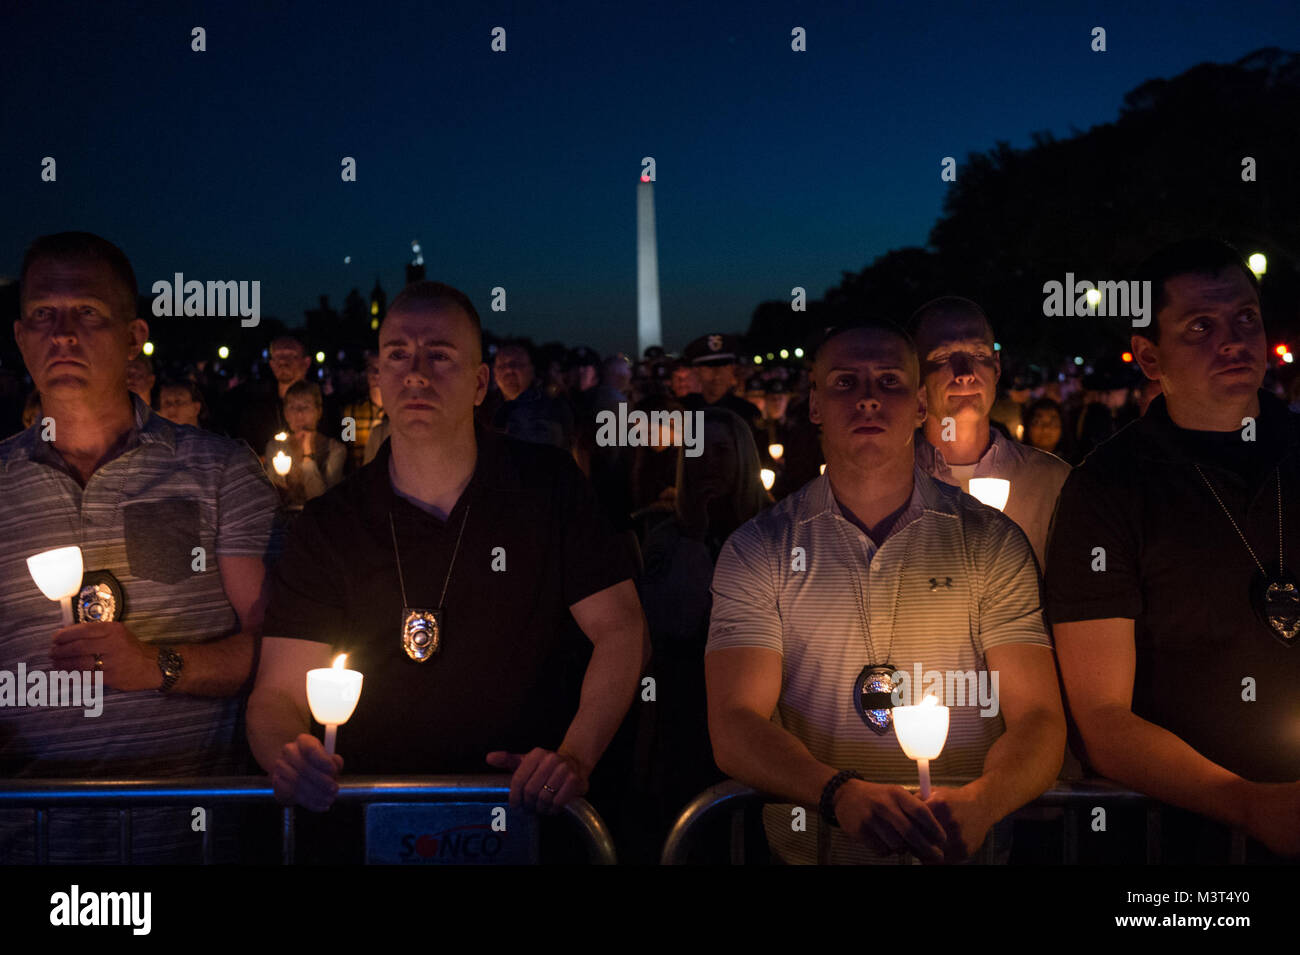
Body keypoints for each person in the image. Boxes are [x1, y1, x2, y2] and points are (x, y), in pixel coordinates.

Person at [245, 281, 649, 860]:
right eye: (398, 355)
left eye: (439, 355)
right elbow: (277, 691)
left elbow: (622, 629)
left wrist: (575, 756)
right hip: (372, 814)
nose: (416, 373)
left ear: (480, 382)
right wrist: (290, 755)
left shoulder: (547, 486)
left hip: (526, 811)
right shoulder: (330, 524)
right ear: (377, 381)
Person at [705, 319, 1065, 865]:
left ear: (922, 405)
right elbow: (735, 722)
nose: (869, 399)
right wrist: (838, 794)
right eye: (846, 383)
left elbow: (1038, 715)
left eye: (890, 382)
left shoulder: (990, 541)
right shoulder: (760, 548)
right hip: (814, 854)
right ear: (816, 405)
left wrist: (982, 802)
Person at [0, 232, 280, 863]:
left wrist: (159, 666)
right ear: (20, 336)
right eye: (43, 315)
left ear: (134, 337)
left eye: (88, 314)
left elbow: (276, 643)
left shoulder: (219, 470)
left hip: (186, 837)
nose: (63, 334)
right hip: (28, 837)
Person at [1047, 238, 1300, 861]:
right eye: (1201, 327)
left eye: (1246, 318)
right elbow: (1103, 720)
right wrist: (1252, 804)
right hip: (1180, 841)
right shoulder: (1106, 488)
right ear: (1149, 357)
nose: (1234, 340)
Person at [910, 297, 1070, 571]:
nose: (965, 373)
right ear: (913, 372)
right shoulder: (885, 483)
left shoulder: (1052, 483)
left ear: (996, 367)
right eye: (944, 357)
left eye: (978, 355)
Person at [264, 380, 347, 509]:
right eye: (292, 407)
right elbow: (273, 495)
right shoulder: (276, 447)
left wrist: (308, 455)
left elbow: (322, 500)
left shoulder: (335, 449)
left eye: (306, 407)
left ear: (319, 412)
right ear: (285, 414)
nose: (299, 414)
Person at [235, 336, 312, 460]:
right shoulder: (256, 410)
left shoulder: (325, 406)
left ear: (306, 362)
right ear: (271, 364)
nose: (283, 362)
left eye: (291, 355)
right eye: (278, 356)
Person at [491, 338, 575, 451]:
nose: (509, 370)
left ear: (532, 370)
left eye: (516, 364)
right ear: (494, 373)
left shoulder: (552, 408)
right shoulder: (483, 410)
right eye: (502, 366)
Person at [682, 333, 762, 428]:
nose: (717, 374)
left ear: (732, 369)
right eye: (709, 367)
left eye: (723, 366)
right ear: (697, 371)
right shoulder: (682, 410)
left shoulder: (748, 412)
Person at [340, 352, 384, 473]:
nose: (376, 374)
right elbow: (347, 452)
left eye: (382, 368)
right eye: (372, 368)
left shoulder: (400, 413)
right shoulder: (350, 412)